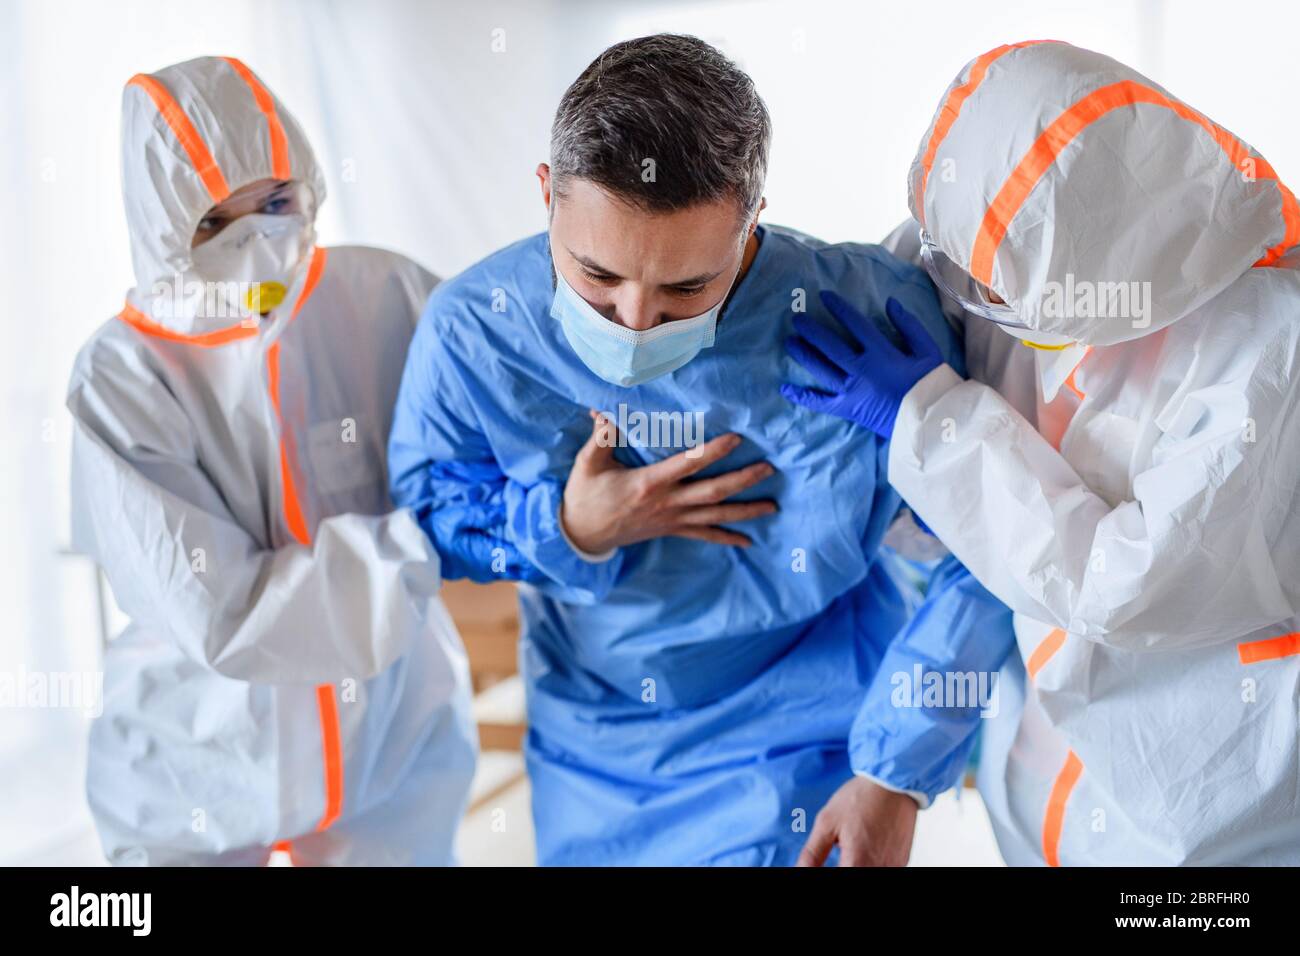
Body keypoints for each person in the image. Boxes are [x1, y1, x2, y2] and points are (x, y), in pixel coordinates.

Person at [388, 33, 1010, 866]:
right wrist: (566, 526)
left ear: (750, 221)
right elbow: (424, 511)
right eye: (596, 279)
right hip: (598, 725)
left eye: (686, 288)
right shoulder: (477, 330)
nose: (638, 322)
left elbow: (991, 542)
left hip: (810, 702)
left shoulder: (862, 316)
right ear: (546, 194)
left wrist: (895, 771)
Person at [785, 40, 1300, 865]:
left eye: (983, 280)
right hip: (1043, 769)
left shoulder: (1269, 358)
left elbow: (1122, 584)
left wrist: (928, 422)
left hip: (1207, 798)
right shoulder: (1027, 259)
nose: (953, 283)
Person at [67, 56, 476, 865]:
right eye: (216, 221)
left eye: (278, 202)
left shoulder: (383, 293)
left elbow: (506, 391)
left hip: (392, 735)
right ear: (159, 225)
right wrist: (428, 539)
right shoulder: (120, 378)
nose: (259, 238)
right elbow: (226, 613)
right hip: (197, 759)